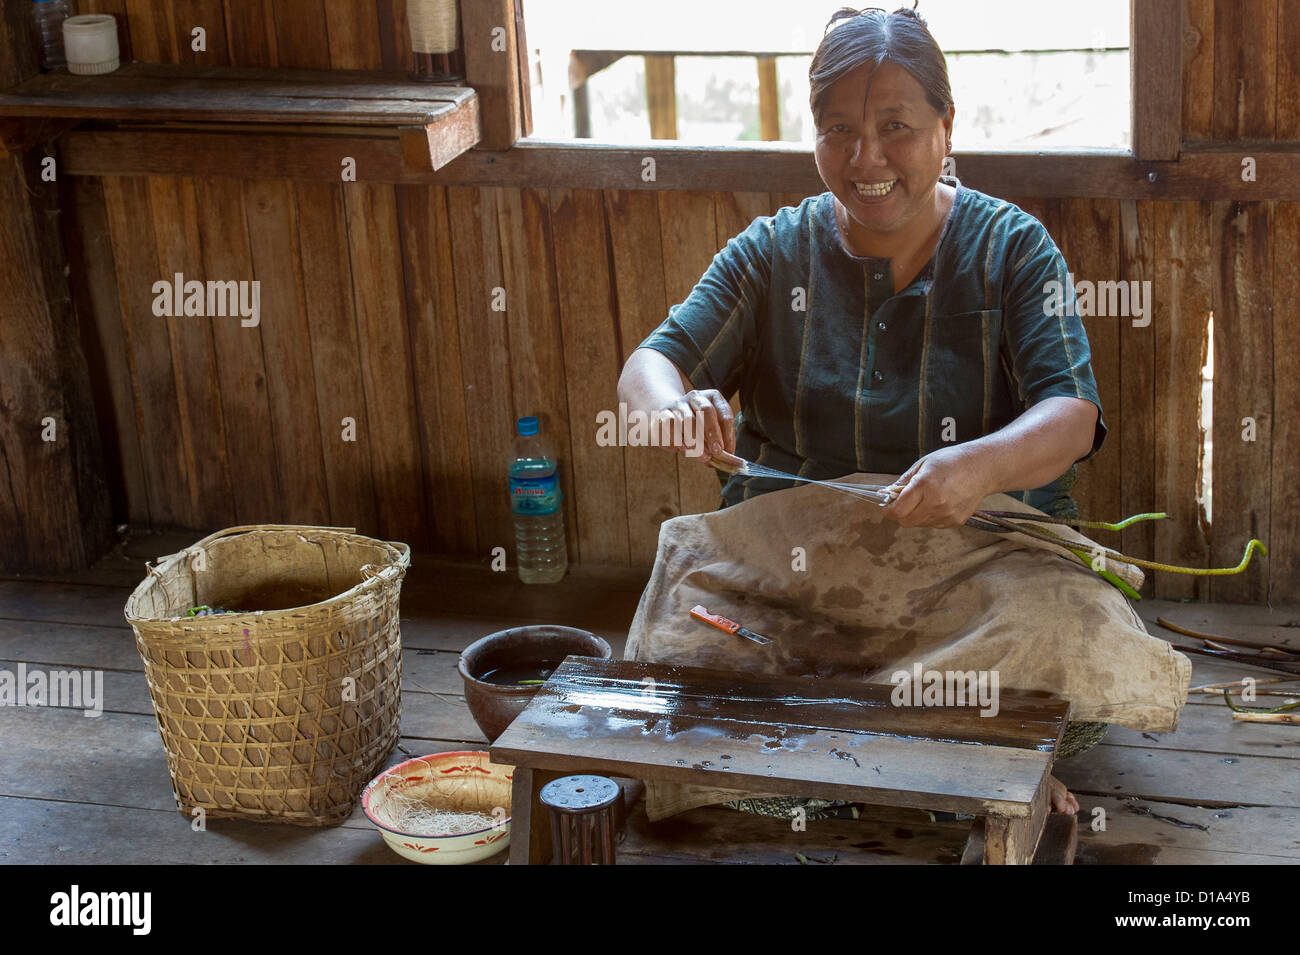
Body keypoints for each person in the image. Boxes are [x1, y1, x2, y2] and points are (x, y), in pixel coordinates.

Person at [617, 6, 1108, 815]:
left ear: (947, 127)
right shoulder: (772, 252)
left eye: (896, 127)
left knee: (1070, 627)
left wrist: (979, 465)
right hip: (793, 577)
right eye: (838, 128)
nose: (865, 157)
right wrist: (674, 403)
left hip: (973, 565)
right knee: (679, 639)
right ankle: (954, 753)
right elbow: (649, 364)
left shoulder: (1013, 248)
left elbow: (1073, 414)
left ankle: (852, 745)